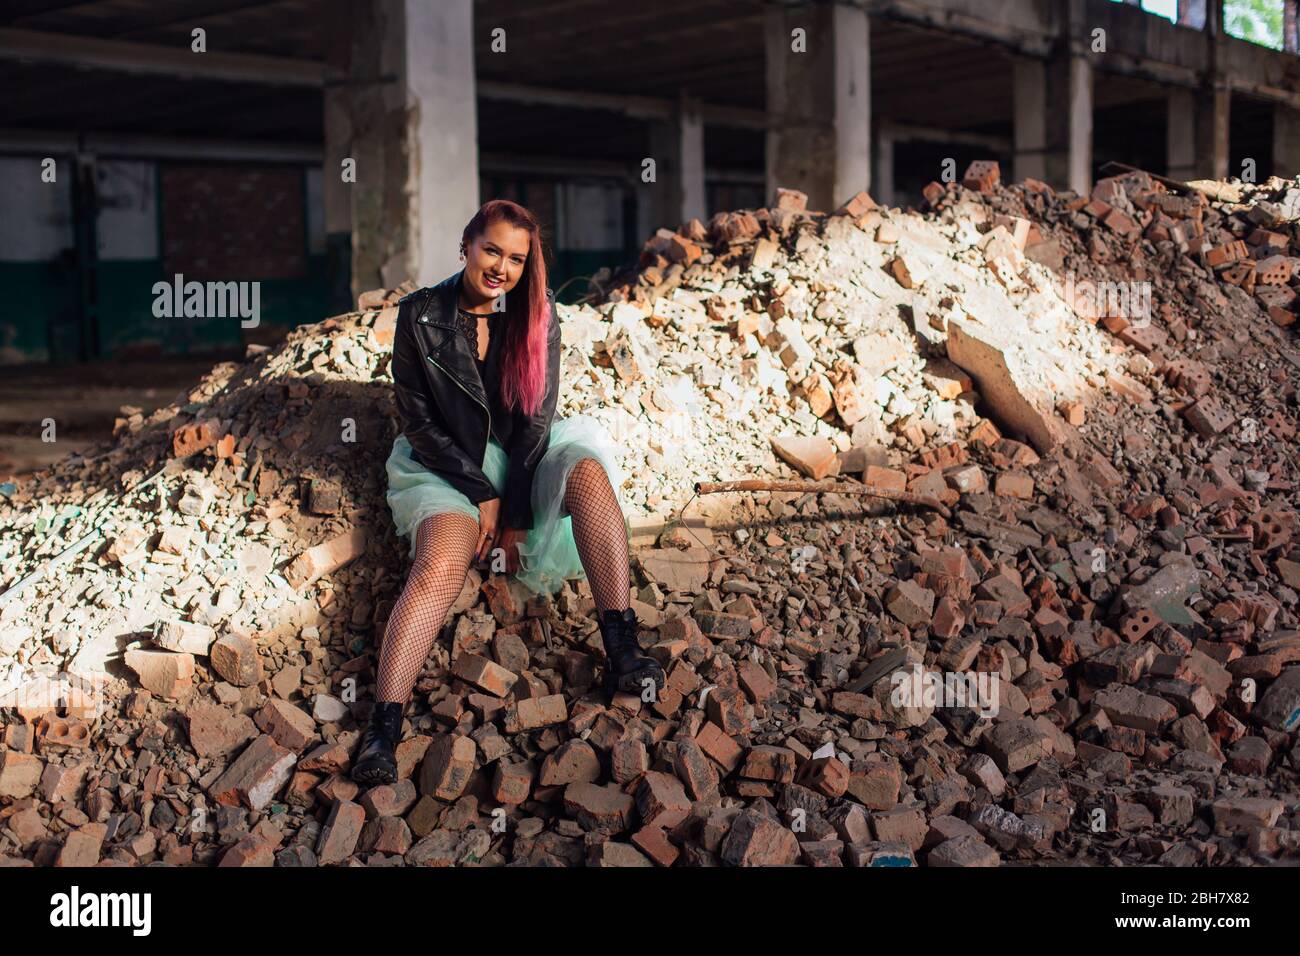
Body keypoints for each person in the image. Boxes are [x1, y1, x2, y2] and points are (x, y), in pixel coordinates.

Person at [352, 199, 665, 786]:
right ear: (466, 245)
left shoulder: (536, 310)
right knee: (442, 561)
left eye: (516, 258)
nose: (501, 267)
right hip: (444, 465)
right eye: (491, 249)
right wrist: (480, 492)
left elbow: (537, 422)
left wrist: (514, 507)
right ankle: (383, 729)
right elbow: (418, 421)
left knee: (590, 476)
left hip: (524, 457)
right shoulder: (419, 315)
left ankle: (623, 650)